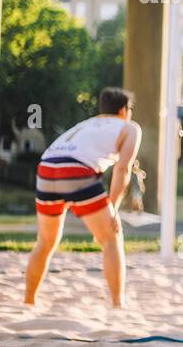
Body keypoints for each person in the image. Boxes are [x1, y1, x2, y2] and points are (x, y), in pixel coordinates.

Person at [25, 87, 143, 309]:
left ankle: (29, 301)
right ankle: (118, 305)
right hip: (75, 169)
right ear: (123, 110)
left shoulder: (86, 125)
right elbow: (123, 170)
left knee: (45, 241)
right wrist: (114, 210)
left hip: (46, 167)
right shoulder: (130, 128)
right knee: (111, 237)